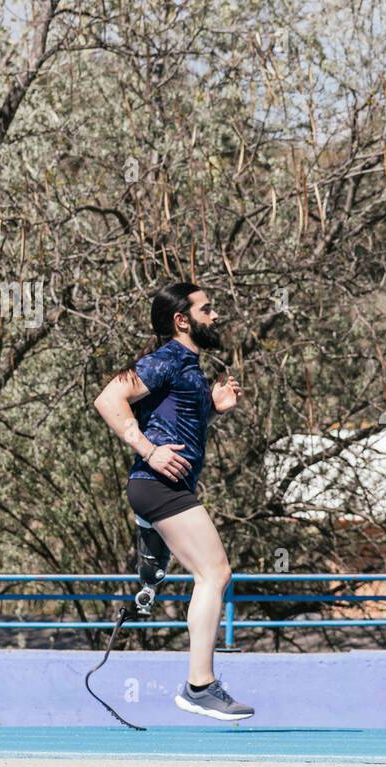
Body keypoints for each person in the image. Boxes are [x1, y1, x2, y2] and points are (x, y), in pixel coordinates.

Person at [93, 281, 253, 721]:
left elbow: (175, 419)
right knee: (215, 573)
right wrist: (148, 450)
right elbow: (108, 399)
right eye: (207, 309)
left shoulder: (188, 366)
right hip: (155, 483)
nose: (215, 316)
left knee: (212, 573)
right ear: (182, 320)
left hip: (166, 489)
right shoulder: (166, 358)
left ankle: (151, 536)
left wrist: (212, 408)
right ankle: (199, 685)